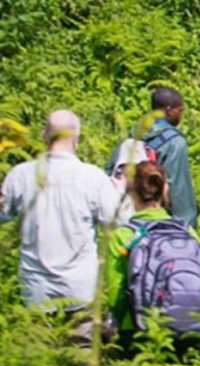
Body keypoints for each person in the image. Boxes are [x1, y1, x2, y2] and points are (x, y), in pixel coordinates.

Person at [0, 110, 119, 346]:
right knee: (81, 360)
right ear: (77, 138)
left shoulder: (20, 175)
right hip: (80, 287)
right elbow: (114, 223)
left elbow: (3, 214)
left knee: (38, 364)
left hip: (35, 289)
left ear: (45, 136)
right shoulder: (92, 177)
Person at [105, 161, 200, 359]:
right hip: (190, 327)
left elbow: (115, 295)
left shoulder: (123, 236)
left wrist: (121, 325)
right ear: (165, 190)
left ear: (130, 192)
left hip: (139, 329)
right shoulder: (187, 232)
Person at [108, 87, 198, 227]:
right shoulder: (174, 142)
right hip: (156, 221)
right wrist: (186, 225)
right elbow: (178, 189)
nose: (181, 115)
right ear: (169, 110)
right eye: (180, 110)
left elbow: (110, 170)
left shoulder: (133, 134)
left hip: (126, 219)